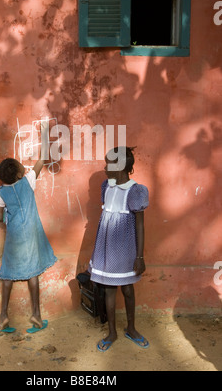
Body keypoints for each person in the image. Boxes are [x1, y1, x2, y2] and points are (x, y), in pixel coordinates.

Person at [0, 121, 57, 333]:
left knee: (8, 274)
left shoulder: (0, 192)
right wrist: (45, 133)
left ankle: (3, 316)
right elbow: (42, 158)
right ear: (20, 174)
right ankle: (37, 315)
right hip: (32, 235)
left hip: (14, 238)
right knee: (33, 274)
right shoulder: (28, 181)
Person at [88, 146, 149, 351]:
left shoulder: (135, 191)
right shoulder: (107, 186)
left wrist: (139, 256)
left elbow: (139, 225)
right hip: (106, 247)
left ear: (120, 166)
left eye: (108, 163)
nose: (105, 167)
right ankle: (112, 332)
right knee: (108, 289)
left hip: (125, 249)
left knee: (128, 289)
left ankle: (131, 328)